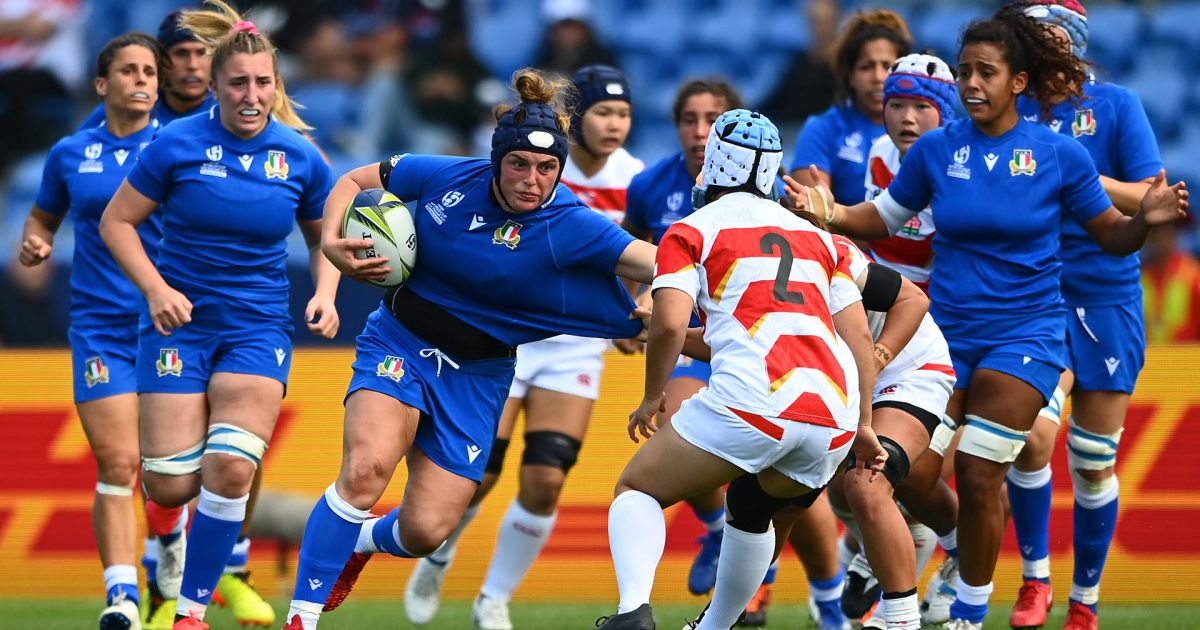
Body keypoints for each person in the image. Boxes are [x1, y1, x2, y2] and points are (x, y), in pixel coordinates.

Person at [796, 3, 1188, 628]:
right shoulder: (934, 152)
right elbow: (884, 220)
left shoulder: (1060, 154)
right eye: (964, 72)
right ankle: (950, 547)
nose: (971, 84)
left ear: (1017, 82)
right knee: (906, 470)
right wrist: (832, 211)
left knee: (982, 472)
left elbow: (1112, 235)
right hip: (946, 337)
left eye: (985, 72)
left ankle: (969, 613)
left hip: (1026, 336)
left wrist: (1147, 217)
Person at [280, 67, 657, 630]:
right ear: (497, 159)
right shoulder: (447, 177)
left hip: (479, 376)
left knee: (425, 531)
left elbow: (657, 264)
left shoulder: (572, 222)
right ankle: (301, 618)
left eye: (547, 167)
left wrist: (656, 295)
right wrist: (332, 246)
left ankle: (358, 542)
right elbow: (355, 181)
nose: (532, 179)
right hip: (401, 341)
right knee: (366, 471)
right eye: (519, 164)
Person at [98, 2, 341, 628]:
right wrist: (154, 290)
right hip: (181, 328)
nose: (251, 94)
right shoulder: (174, 143)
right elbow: (116, 222)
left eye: (263, 83)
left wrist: (325, 292)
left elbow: (327, 238)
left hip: (258, 328)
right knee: (170, 486)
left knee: (232, 469)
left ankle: (189, 612)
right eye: (238, 82)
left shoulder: (301, 157)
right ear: (214, 85)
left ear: (276, 87)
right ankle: (170, 541)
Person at [595, 108, 885, 630]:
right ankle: (714, 628)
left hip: (754, 403)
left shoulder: (691, 229)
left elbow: (666, 326)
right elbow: (857, 336)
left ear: (716, 166)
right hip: (834, 417)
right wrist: (864, 423)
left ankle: (631, 612)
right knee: (751, 510)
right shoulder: (820, 238)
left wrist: (651, 395)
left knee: (638, 490)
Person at [398, 64, 643, 630]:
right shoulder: (532, 164)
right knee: (482, 473)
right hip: (508, 331)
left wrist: (636, 314)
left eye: (624, 113)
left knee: (546, 478)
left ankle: (494, 598)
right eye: (602, 112)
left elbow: (649, 255)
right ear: (570, 123)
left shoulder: (641, 180)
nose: (613, 125)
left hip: (575, 341)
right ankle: (437, 554)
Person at [1002, 3, 1167, 629]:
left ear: (1069, 44)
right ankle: (1035, 580)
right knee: (1032, 439)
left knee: (1094, 459)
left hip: (1106, 295)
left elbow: (1152, 194)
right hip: (1032, 296)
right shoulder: (1010, 108)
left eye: (1043, 40)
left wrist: (1077, 175)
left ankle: (1086, 602)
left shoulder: (1118, 105)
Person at [21, 32, 163, 630]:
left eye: (150, 72)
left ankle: (169, 570)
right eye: (129, 71)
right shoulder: (70, 154)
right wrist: (35, 240)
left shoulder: (176, 148)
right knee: (118, 462)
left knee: (169, 471)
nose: (143, 81)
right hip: (101, 327)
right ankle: (123, 596)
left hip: (169, 326)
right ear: (101, 85)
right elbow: (41, 215)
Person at [789, 9, 912, 206]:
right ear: (849, 75)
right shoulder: (821, 129)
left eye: (887, 66)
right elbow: (813, 216)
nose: (878, 77)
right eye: (866, 67)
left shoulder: (928, 129)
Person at [79, 10, 217, 131]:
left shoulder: (227, 108)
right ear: (161, 61)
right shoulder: (125, 104)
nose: (192, 65)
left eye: (202, 53)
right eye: (181, 53)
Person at [1142, 221, 1200, 343]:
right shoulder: (1139, 278)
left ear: (1175, 233)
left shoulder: (1193, 275)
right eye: (1154, 233)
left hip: (1186, 359)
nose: (1160, 238)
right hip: (1149, 359)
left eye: (1166, 231)